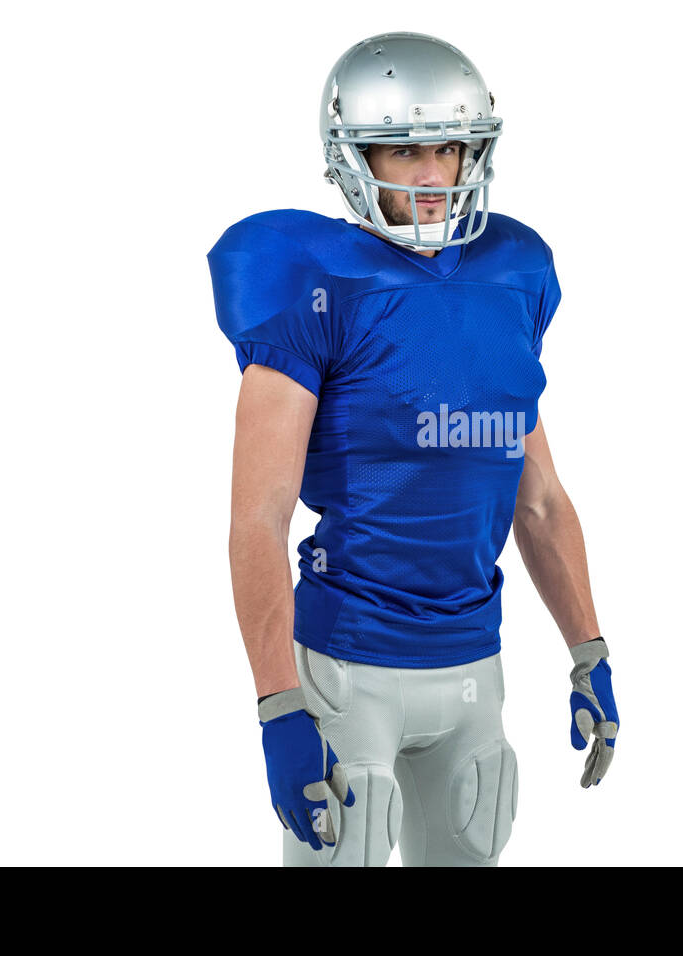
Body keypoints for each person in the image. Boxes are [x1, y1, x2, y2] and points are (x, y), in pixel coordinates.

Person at [206, 31, 619, 866]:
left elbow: (536, 498)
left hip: (476, 665)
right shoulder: (312, 280)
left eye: (447, 146)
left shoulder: (512, 273)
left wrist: (589, 651)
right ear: (352, 156)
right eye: (402, 149)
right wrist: (278, 707)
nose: (432, 174)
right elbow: (258, 518)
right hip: (347, 669)